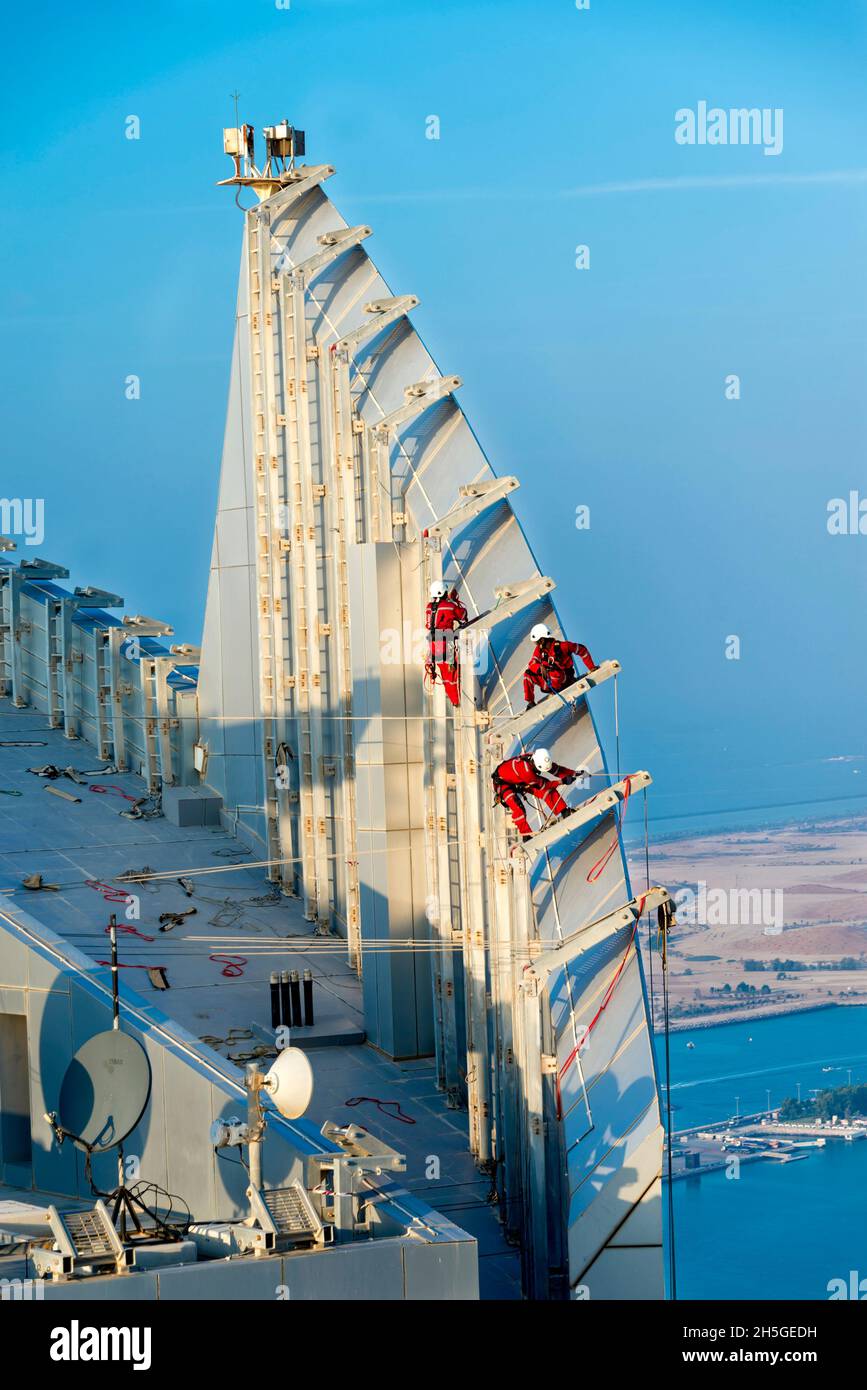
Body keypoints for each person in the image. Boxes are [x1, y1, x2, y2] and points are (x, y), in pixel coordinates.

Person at [492, 748, 584, 841]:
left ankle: (564, 811)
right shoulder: (526, 771)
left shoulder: (538, 757)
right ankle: (526, 835)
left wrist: (574, 773)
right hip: (502, 784)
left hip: (519, 780)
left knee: (548, 791)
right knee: (517, 806)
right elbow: (543, 786)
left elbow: (557, 770)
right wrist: (562, 781)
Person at [523, 623, 597, 710]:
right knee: (528, 674)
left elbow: (582, 650)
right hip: (550, 683)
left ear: (542, 640)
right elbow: (532, 663)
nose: (536, 645)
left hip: (565, 681)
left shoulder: (564, 646)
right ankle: (531, 703)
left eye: (537, 642)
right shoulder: (540, 650)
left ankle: (555, 688)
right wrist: (539, 668)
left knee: (554, 670)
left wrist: (591, 667)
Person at [425, 580, 468, 707]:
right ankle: (459, 700)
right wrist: (454, 602)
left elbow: (428, 625)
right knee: (453, 673)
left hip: (433, 644)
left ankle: (454, 700)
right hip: (445, 642)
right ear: (443, 592)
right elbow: (463, 616)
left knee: (445, 675)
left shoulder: (428, 607)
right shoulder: (449, 606)